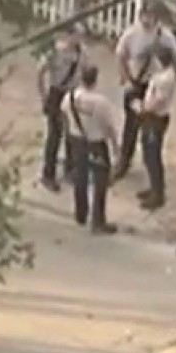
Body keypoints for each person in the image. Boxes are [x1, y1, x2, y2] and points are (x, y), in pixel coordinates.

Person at [115, 5, 176, 178]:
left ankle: (152, 165)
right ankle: (124, 160)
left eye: (150, 16)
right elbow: (120, 55)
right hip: (137, 82)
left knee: (151, 127)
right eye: (144, 15)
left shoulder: (165, 36)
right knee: (130, 125)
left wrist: (171, 82)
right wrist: (126, 78)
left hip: (156, 85)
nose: (147, 19)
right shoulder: (131, 34)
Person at [64, 64, 121, 235]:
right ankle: (98, 220)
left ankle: (80, 213)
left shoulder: (70, 97)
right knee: (100, 181)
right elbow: (109, 127)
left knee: (80, 177)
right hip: (96, 144)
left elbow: (64, 114)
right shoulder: (101, 102)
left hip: (77, 141)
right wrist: (115, 147)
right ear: (95, 80)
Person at [36, 29, 84, 192]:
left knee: (72, 132)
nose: (79, 38)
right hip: (57, 92)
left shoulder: (82, 53)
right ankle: (48, 174)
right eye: (76, 35)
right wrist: (43, 96)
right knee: (54, 135)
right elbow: (40, 72)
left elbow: (85, 70)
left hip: (72, 94)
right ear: (69, 35)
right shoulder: (55, 52)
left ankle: (70, 169)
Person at [135, 40, 176, 211]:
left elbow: (158, 101)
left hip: (154, 118)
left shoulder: (164, 79)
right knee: (149, 154)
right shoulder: (164, 74)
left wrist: (142, 109)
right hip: (153, 117)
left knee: (152, 156)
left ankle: (157, 194)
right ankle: (153, 188)